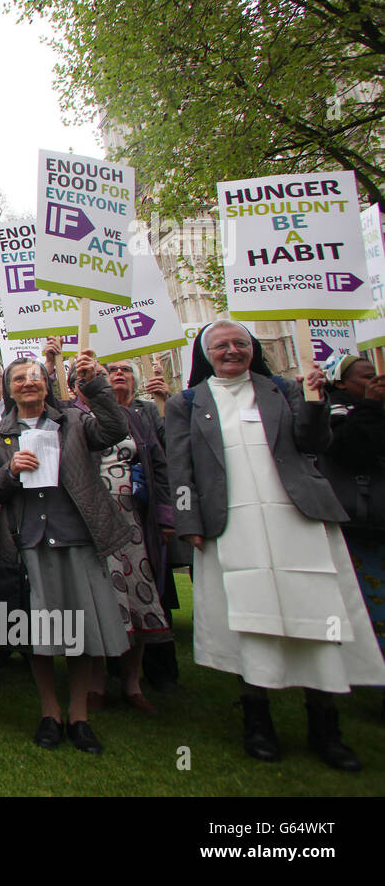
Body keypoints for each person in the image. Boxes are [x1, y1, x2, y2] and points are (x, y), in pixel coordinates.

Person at [165, 322, 385, 770]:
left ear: (254, 349)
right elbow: (180, 468)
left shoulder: (283, 389)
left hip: (297, 520)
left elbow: (314, 444)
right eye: (221, 345)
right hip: (234, 525)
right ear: (205, 353)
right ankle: (257, 719)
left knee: (316, 614)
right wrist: (188, 521)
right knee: (252, 620)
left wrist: (314, 403)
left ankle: (326, 725)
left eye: (240, 344)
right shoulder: (186, 402)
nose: (231, 351)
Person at [0, 352, 133, 754]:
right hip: (28, 541)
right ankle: (50, 713)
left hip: (76, 537)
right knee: (42, 634)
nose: (28, 384)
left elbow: (117, 429)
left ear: (47, 384)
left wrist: (94, 385)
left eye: (35, 378)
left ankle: (79, 716)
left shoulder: (76, 422)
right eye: (19, 380)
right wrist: (10, 471)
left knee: (81, 630)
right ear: (10, 390)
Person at [72, 360, 174, 713]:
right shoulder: (71, 419)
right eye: (85, 381)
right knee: (101, 599)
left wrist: (164, 516)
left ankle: (133, 684)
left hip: (133, 523)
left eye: (95, 378)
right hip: (91, 525)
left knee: (137, 597)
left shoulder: (132, 418)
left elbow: (158, 466)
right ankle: (97, 685)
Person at [106, 358, 182, 695]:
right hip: (104, 521)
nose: (118, 375)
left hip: (141, 518)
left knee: (149, 591)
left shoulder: (148, 412)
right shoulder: (89, 413)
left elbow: (167, 459)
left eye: (124, 370)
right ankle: (109, 674)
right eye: (111, 371)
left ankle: (157, 673)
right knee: (111, 595)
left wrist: (167, 516)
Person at [317, 353, 385, 701]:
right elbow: (351, 452)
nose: (374, 383)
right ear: (342, 383)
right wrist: (372, 407)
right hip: (358, 522)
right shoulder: (335, 413)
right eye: (367, 377)